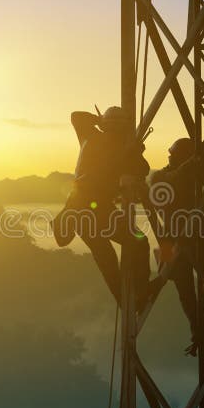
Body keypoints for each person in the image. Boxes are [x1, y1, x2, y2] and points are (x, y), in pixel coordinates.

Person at [52, 106, 152, 308]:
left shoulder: (89, 136)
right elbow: (142, 170)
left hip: (78, 207)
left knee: (106, 258)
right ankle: (140, 293)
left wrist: (99, 120)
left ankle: (126, 300)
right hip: (98, 209)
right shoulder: (122, 148)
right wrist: (135, 152)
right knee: (138, 242)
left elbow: (76, 116)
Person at [150, 138, 200, 355]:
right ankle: (197, 330)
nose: (169, 156)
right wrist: (190, 165)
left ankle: (202, 329)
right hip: (173, 240)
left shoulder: (192, 177)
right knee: (185, 289)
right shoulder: (160, 176)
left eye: (174, 154)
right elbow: (170, 181)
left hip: (195, 237)